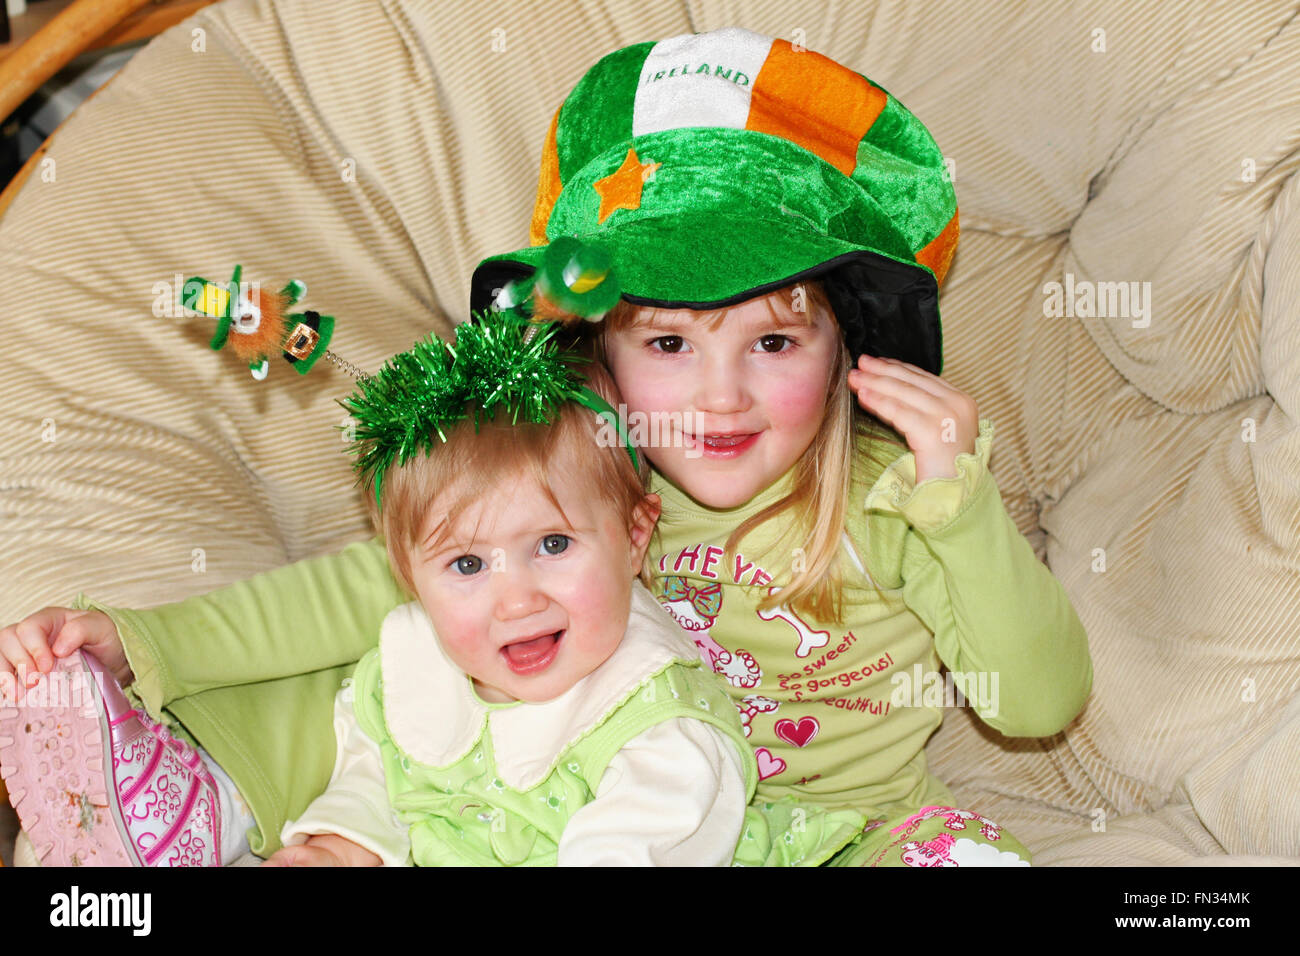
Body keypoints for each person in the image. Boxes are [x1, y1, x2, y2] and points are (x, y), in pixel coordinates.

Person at [0, 26, 1091, 866]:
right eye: (668, 339)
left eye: (771, 337)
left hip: (823, 836)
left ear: (847, 345)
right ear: (598, 353)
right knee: (398, 645)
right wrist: (141, 640)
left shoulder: (895, 496)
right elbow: (350, 590)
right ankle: (185, 799)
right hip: (571, 803)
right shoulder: (574, 460)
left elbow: (1035, 702)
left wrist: (961, 502)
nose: (720, 393)